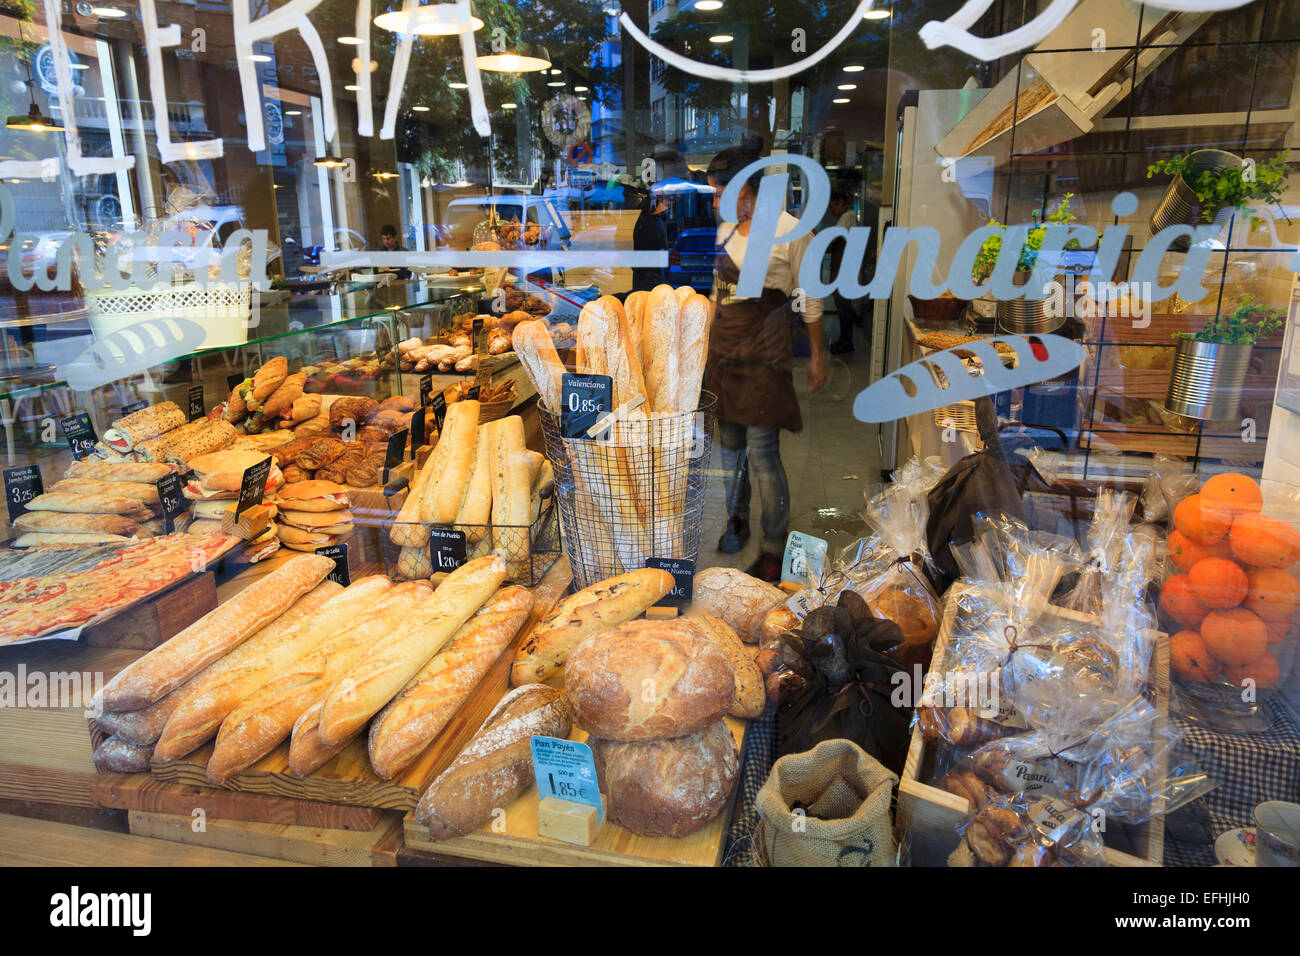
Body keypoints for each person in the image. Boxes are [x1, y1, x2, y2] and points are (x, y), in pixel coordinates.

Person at [706, 145, 828, 582]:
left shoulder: (793, 232)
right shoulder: (725, 229)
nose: (718, 198)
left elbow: (810, 297)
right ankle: (736, 520)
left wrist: (817, 354)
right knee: (730, 451)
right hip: (725, 351)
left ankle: (774, 546)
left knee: (762, 455)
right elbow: (715, 293)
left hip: (764, 353)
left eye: (722, 189)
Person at [828, 189, 860, 355]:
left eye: (832, 206)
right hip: (840, 268)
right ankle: (844, 340)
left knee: (844, 306)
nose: (831, 210)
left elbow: (834, 237)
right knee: (841, 305)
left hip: (845, 269)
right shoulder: (842, 218)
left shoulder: (848, 215)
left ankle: (846, 342)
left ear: (840, 203)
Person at [631, 189, 669, 292]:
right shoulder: (651, 222)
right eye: (667, 202)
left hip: (649, 274)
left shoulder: (654, 220)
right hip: (648, 277)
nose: (668, 207)